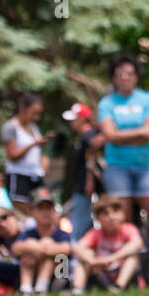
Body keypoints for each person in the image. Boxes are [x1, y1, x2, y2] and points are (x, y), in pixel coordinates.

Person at [96, 54, 149, 237]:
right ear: (113, 78)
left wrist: (120, 136)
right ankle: (127, 262)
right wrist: (139, 132)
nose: (125, 78)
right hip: (117, 168)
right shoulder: (106, 103)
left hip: (146, 168)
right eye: (120, 74)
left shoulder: (148, 100)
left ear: (136, 76)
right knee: (122, 223)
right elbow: (109, 135)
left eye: (129, 73)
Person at [72, 194, 142, 292]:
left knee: (133, 258)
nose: (111, 217)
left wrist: (111, 258)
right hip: (103, 272)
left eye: (115, 212)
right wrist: (92, 260)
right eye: (105, 214)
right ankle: (77, 289)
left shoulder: (128, 229)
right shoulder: (95, 232)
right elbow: (77, 248)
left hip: (124, 274)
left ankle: (118, 287)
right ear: (98, 218)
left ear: (123, 214)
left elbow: (137, 243)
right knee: (85, 256)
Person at [12, 188, 72, 295]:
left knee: (52, 256)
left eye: (48, 208)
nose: (45, 212)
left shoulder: (60, 233)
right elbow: (15, 248)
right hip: (35, 269)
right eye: (40, 208)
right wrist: (33, 246)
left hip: (59, 276)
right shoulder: (29, 233)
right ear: (31, 212)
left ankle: (41, 287)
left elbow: (67, 248)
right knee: (28, 253)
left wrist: (46, 247)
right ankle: (26, 288)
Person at [1, 93, 51, 210]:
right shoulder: (11, 127)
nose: (37, 117)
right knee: (23, 212)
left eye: (39, 114)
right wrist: (34, 144)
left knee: (41, 208)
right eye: (34, 113)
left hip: (35, 175)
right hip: (19, 175)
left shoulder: (33, 127)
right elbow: (12, 155)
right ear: (23, 108)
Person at [62, 102, 103, 238]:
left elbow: (92, 160)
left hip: (85, 188)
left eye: (73, 119)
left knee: (80, 221)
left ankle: (74, 251)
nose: (71, 123)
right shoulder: (83, 137)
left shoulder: (89, 136)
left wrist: (89, 181)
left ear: (82, 119)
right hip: (81, 185)